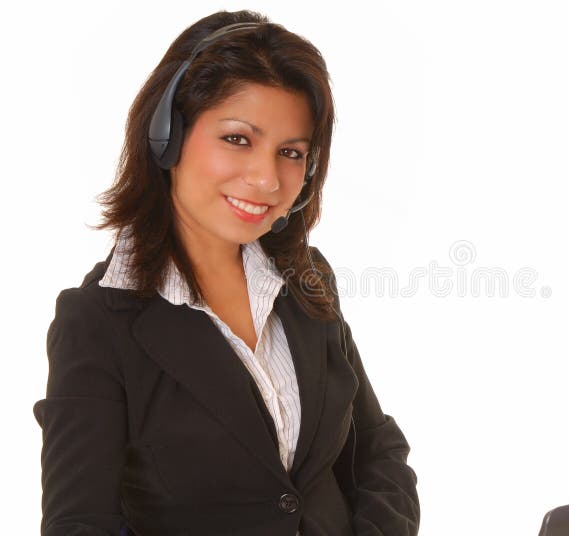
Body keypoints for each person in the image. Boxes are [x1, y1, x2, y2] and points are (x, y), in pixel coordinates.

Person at [32, 9, 420, 536]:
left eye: (291, 152)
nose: (267, 179)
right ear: (167, 135)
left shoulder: (305, 279)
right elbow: (80, 524)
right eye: (238, 139)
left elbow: (376, 450)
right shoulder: (98, 322)